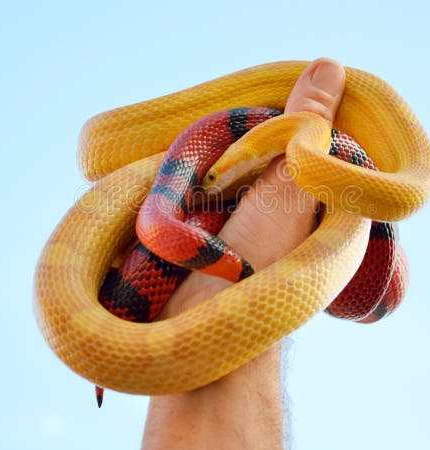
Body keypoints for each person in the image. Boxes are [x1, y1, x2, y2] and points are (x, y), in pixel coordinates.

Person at [141, 58, 347, 449]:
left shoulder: (275, 142)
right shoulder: (268, 142)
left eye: (214, 176)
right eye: (210, 176)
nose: (211, 183)